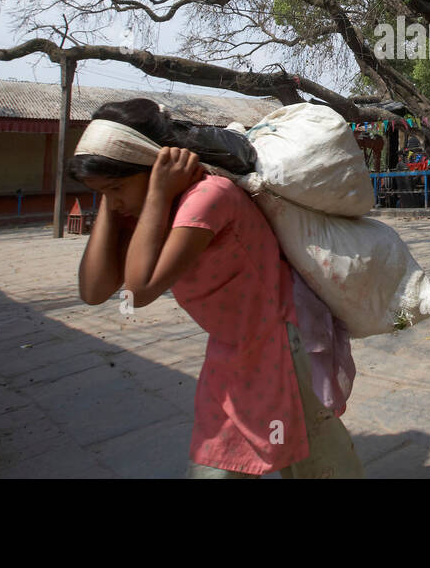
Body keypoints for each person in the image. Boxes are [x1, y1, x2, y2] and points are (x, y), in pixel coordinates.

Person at [69, 98, 364, 478]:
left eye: (115, 189)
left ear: (154, 165)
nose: (114, 202)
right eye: (102, 193)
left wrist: (156, 192)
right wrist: (114, 201)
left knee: (319, 461)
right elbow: (93, 290)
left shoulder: (208, 197)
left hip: (283, 341)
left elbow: (137, 291)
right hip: (234, 348)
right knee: (219, 458)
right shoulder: (144, 207)